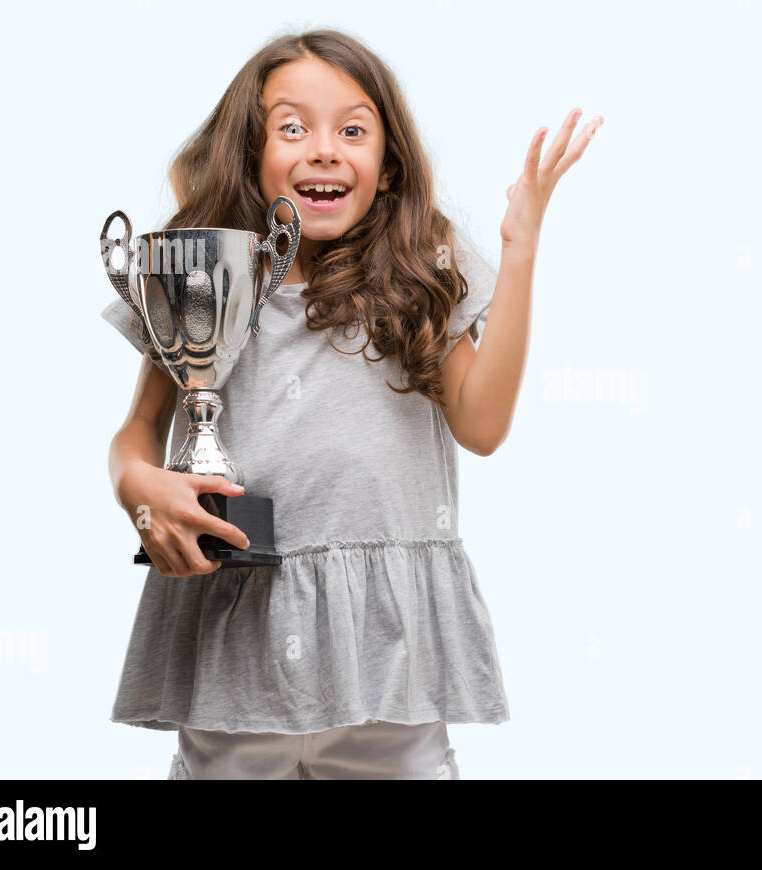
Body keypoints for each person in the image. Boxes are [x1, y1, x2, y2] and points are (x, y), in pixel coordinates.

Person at [102, 28, 602, 779]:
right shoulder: (205, 273)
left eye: (353, 129)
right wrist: (137, 486)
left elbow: (483, 424)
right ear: (251, 154)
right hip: (238, 648)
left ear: (388, 166)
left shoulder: (419, 268)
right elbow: (138, 433)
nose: (325, 149)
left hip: (387, 657)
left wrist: (520, 247)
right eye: (292, 127)